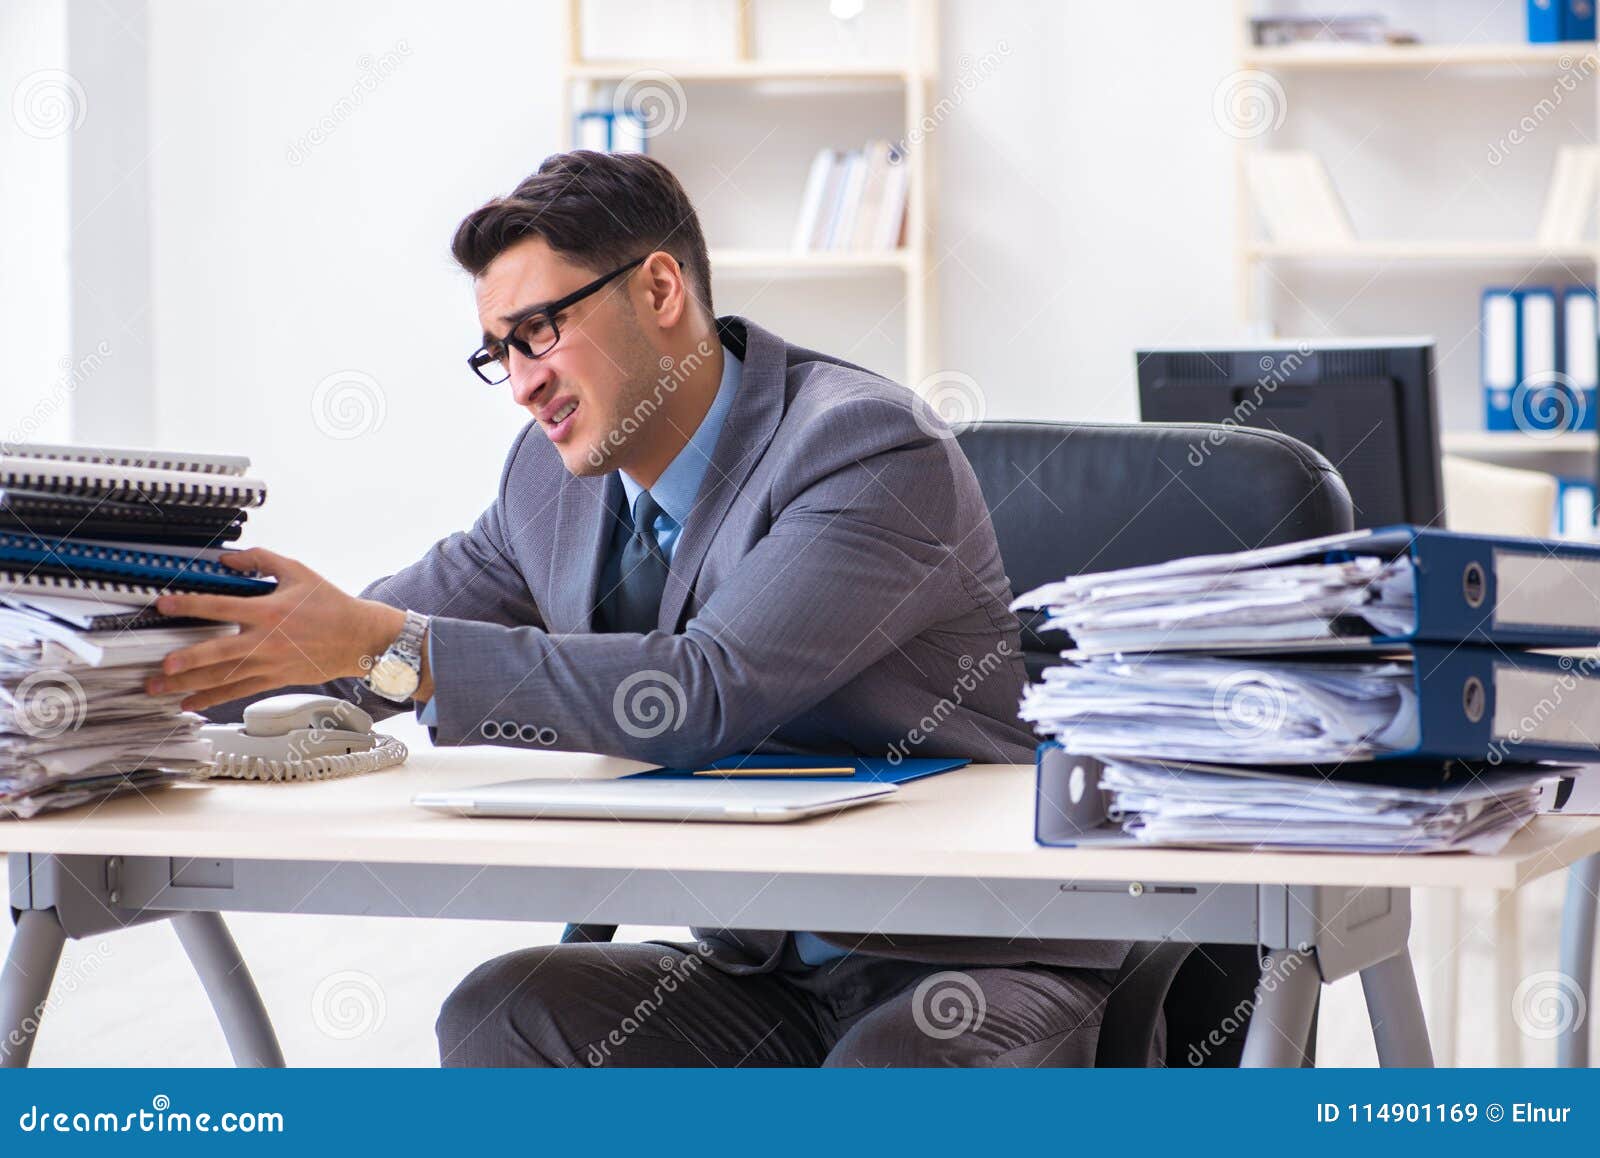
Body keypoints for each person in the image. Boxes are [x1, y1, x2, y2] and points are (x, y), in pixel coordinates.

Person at [158, 150, 1136, 1067]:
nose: (523, 382)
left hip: (963, 957)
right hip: (759, 967)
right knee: (509, 1016)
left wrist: (395, 650)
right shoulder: (550, 486)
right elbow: (344, 644)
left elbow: (706, 688)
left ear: (661, 290)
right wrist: (113, 697)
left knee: (901, 1071)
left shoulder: (866, 448)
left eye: (539, 331)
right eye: (501, 351)